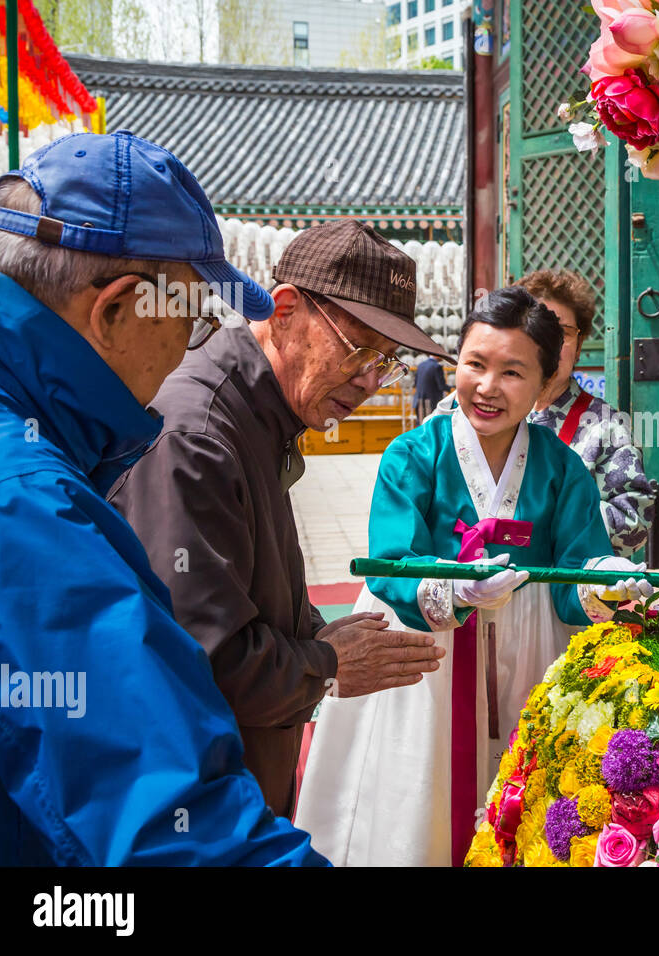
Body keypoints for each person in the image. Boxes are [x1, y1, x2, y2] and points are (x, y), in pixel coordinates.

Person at [0, 129, 325, 864]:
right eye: (194, 317)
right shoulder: (29, 505)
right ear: (118, 310)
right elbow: (177, 829)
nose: (190, 345)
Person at [295, 287, 650, 866]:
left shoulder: (562, 466)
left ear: (544, 383)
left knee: (523, 790)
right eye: (475, 364)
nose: (487, 387)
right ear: (454, 363)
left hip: (530, 644)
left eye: (513, 372)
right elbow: (390, 562)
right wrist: (455, 588)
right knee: (418, 790)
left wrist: (606, 579)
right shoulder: (412, 454)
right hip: (424, 651)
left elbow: (577, 565)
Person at [108, 219, 450, 819]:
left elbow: (248, 591)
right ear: (286, 309)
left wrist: (317, 633)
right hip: (192, 801)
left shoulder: (258, 411)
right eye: (360, 350)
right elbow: (202, 659)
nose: (372, 380)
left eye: (388, 360)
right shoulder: (201, 436)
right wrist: (330, 662)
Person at [431, 269, 654, 557]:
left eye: (561, 333)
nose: (548, 345)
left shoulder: (605, 426)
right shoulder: (455, 411)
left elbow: (633, 522)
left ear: (580, 344)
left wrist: (550, 521)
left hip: (559, 585)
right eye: (533, 332)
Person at [413, 353, 448, 421]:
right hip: (431, 402)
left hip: (418, 400)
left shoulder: (420, 365)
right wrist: (451, 388)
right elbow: (441, 386)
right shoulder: (437, 366)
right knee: (430, 425)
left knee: (420, 425)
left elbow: (415, 383)